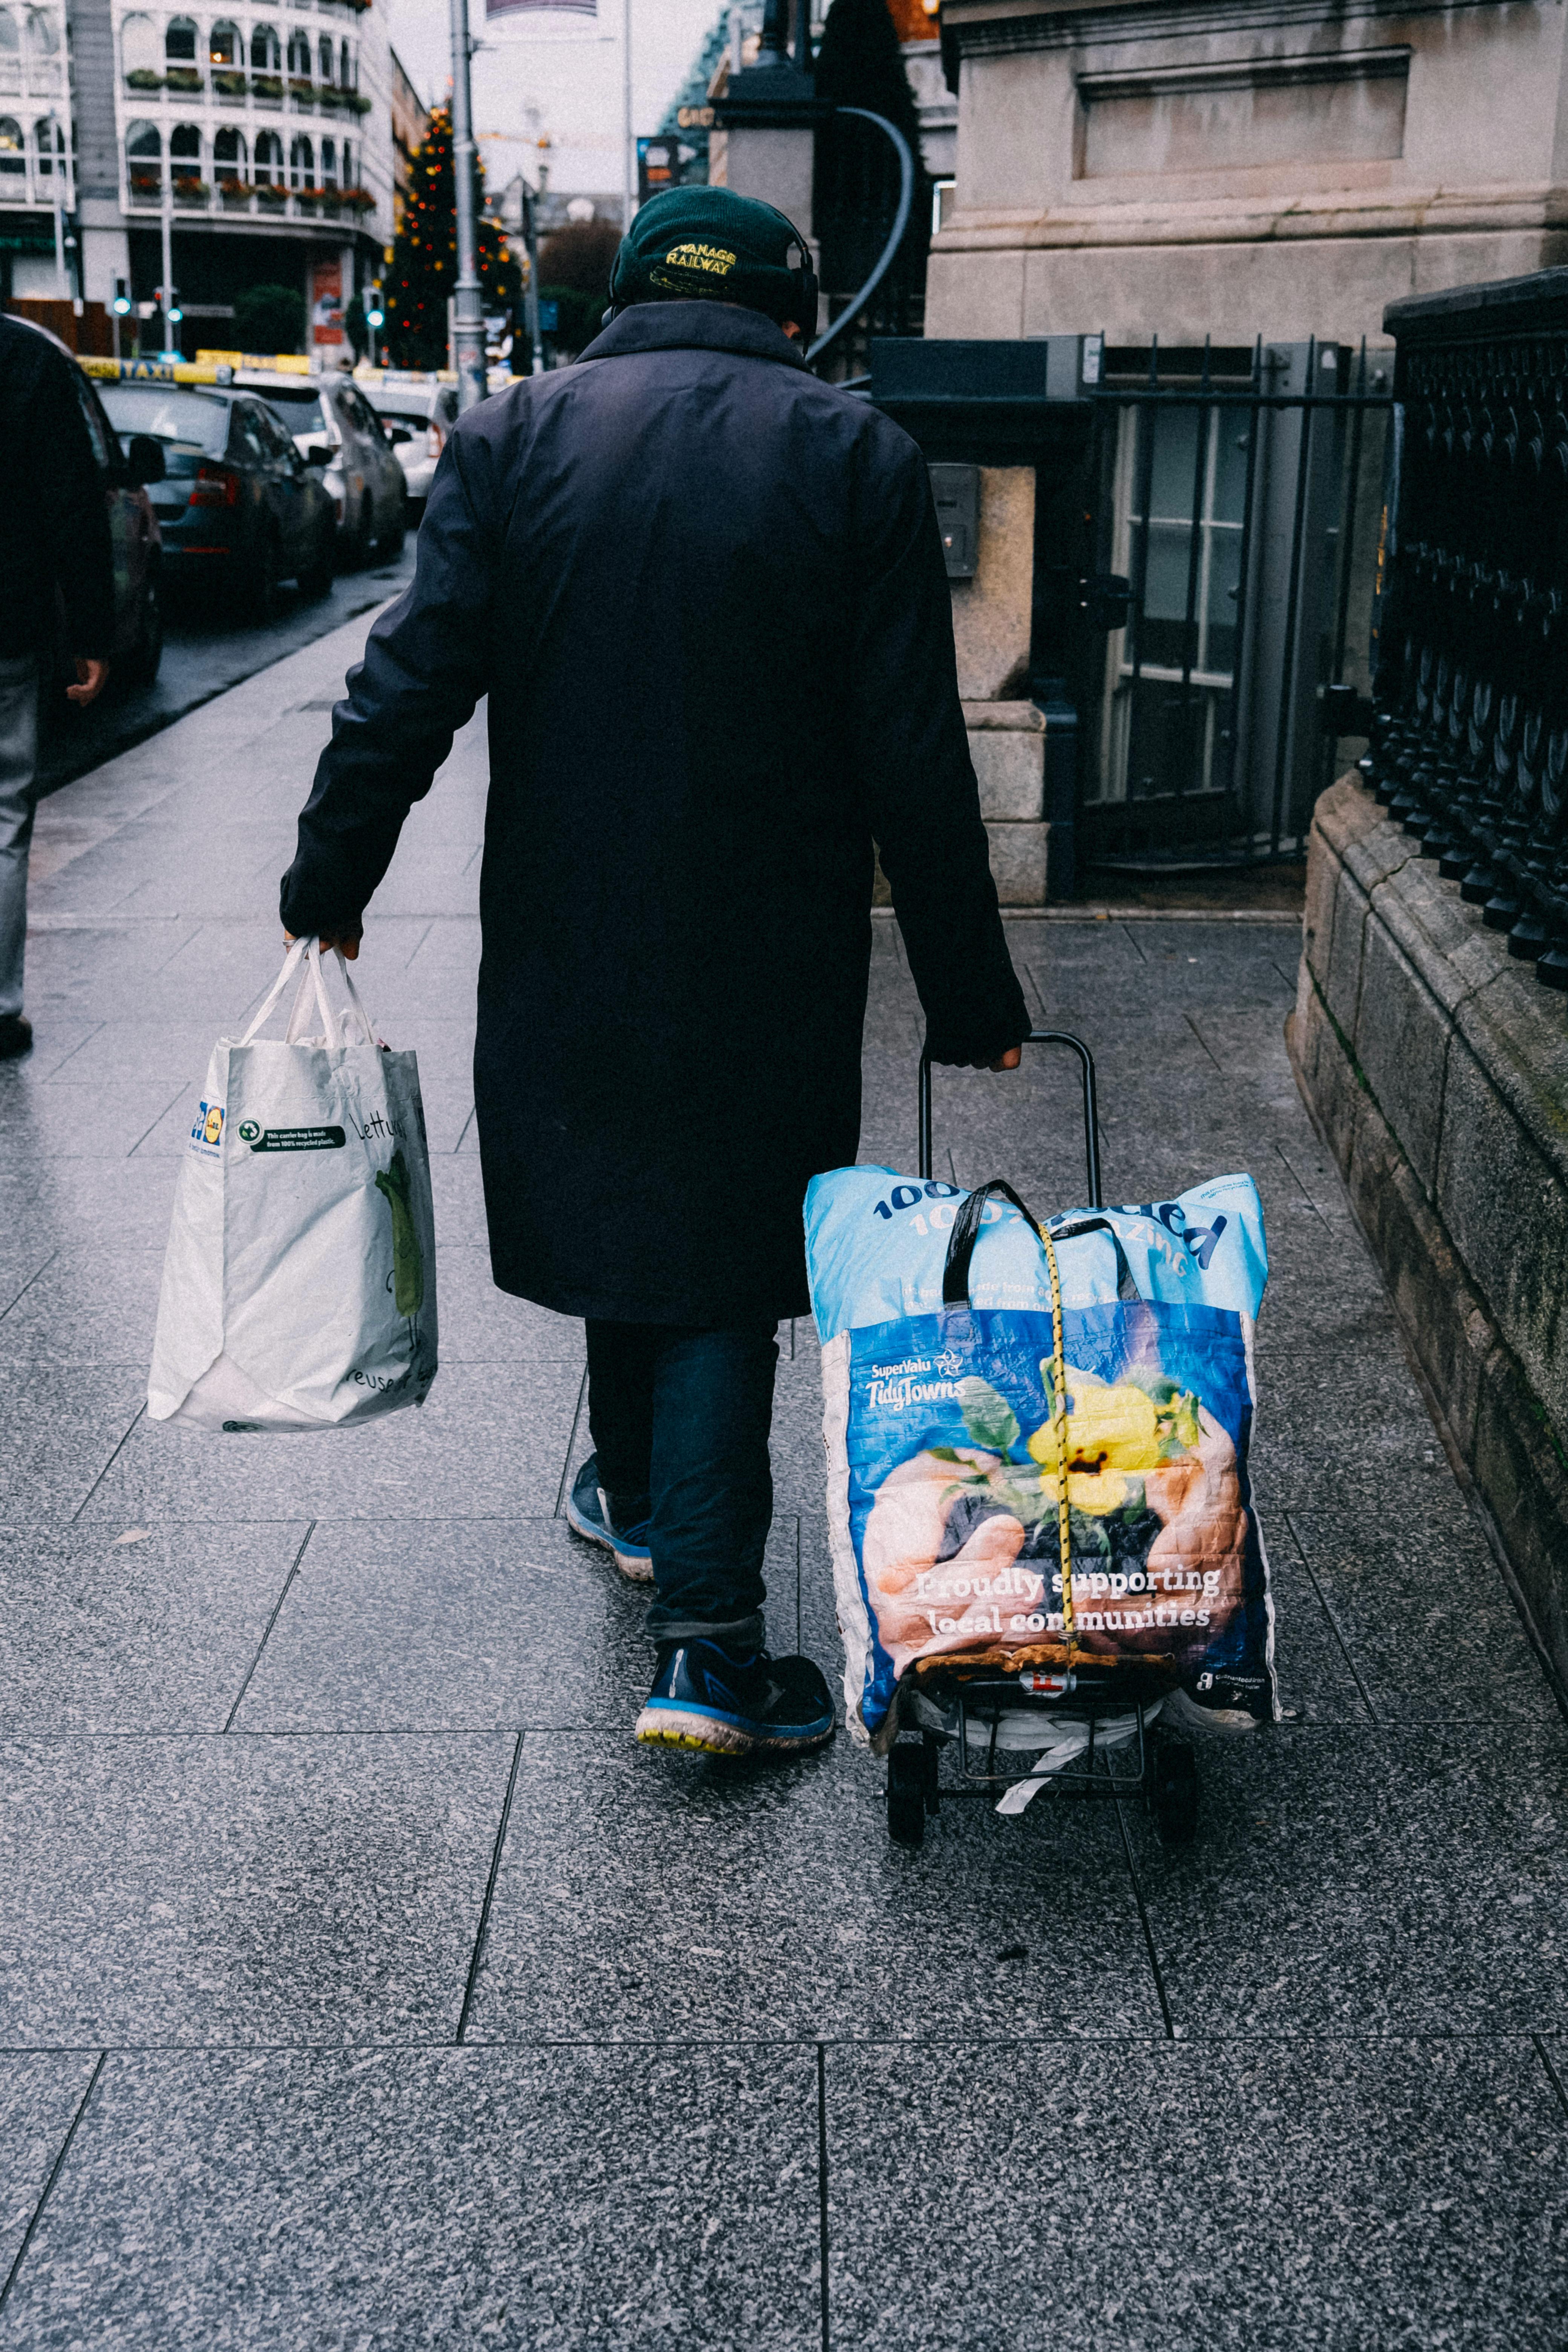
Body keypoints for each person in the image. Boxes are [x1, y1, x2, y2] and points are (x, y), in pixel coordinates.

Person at [279, 185, 1031, 1760]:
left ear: (623, 294)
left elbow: (401, 688)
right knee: (719, 1259)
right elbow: (912, 752)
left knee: (624, 1201)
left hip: (569, 921)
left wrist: (328, 883)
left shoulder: (509, 441)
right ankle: (708, 1645)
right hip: (765, 938)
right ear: (788, 304)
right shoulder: (852, 456)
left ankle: (639, 1513)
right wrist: (968, 992)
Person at [0, 315, 115, 1060]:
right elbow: (72, 503)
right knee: (4, 811)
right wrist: (92, 635)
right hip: (4, 622)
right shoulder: (28, 363)